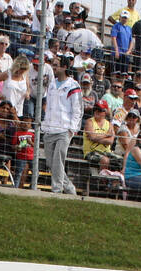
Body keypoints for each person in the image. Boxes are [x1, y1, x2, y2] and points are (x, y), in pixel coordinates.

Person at [41, 53, 81, 195]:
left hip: (64, 129)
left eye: (56, 65)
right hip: (49, 128)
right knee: (52, 163)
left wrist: (72, 129)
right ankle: (70, 188)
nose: (54, 67)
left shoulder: (73, 85)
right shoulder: (51, 84)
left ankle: (56, 191)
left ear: (64, 67)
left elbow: (77, 109)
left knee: (58, 160)